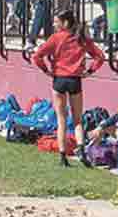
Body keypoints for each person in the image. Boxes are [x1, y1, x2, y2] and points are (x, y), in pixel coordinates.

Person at [31, 9, 106, 167]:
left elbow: (37, 56)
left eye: (56, 22)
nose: (54, 24)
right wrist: (90, 71)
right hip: (75, 80)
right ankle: (81, 149)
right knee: (77, 120)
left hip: (59, 79)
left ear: (65, 23)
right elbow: (100, 56)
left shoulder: (56, 38)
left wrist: (46, 70)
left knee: (61, 119)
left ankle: (63, 156)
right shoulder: (81, 38)